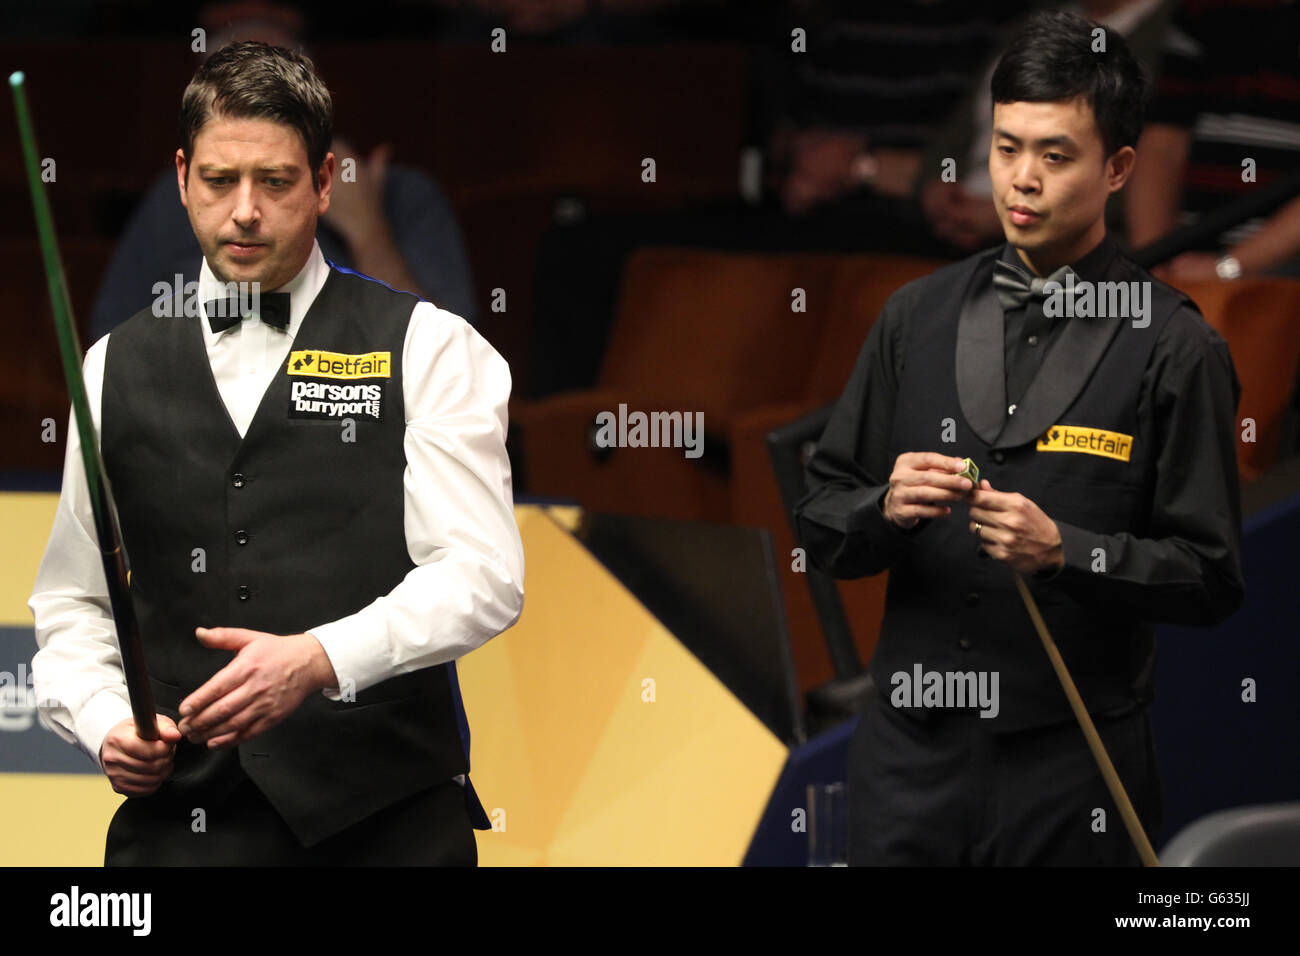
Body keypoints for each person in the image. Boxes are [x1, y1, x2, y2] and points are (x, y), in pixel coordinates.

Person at [28, 41, 524, 865]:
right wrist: (102, 716)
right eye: (220, 181)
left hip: (387, 824)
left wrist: (321, 657)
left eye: (277, 181)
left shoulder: (430, 348)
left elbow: (482, 575)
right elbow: (75, 603)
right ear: (183, 177)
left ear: (326, 182)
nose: (245, 211)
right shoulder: (114, 365)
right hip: (184, 830)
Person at [795, 9, 1244, 865]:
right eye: (1007, 149)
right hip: (908, 765)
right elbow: (823, 525)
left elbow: (1211, 579)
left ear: (1118, 169)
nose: (1021, 180)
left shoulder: (1175, 345)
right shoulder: (912, 317)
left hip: (1070, 769)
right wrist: (883, 507)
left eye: (1055, 155)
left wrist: (1066, 551)